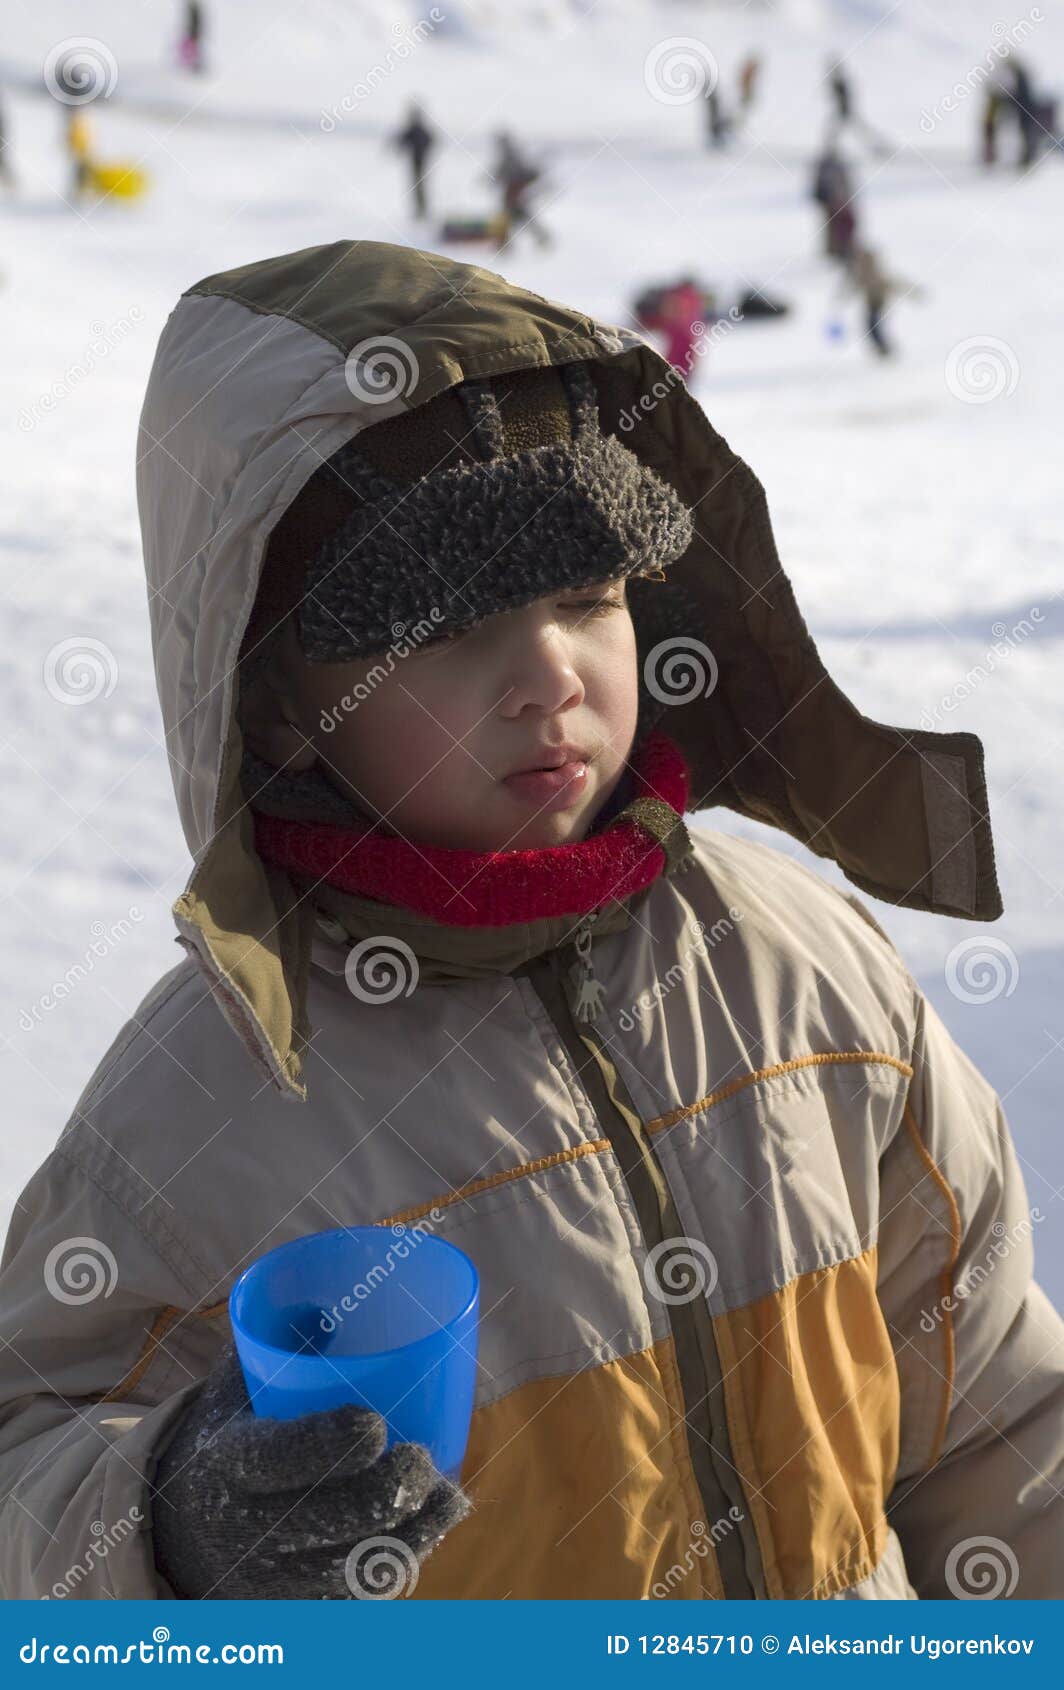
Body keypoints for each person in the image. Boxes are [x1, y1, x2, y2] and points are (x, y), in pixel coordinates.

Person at [0, 239, 1060, 1601]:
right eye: (448, 629)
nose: (549, 675)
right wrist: (171, 1523)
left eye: (588, 598)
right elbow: (28, 1460)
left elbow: (1001, 1416)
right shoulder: (211, 1096)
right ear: (274, 700)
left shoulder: (803, 968)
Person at [490, 130, 551, 249]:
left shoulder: (510, 157)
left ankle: (504, 245)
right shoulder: (511, 156)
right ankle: (504, 245)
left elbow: (505, 173)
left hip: (515, 197)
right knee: (518, 220)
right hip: (513, 197)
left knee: (515, 220)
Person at [392, 99, 435, 220]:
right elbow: (402, 141)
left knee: (419, 187)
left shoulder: (419, 130)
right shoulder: (415, 130)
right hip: (416, 163)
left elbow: (431, 141)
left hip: (420, 163)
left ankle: (422, 211)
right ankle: (421, 211)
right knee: (418, 187)